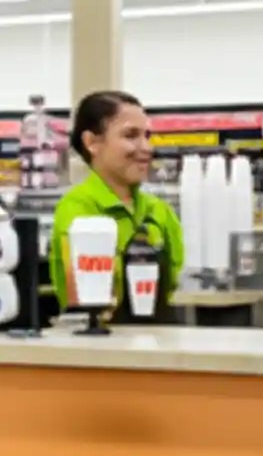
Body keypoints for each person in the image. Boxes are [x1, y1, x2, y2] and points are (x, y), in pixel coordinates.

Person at [50, 90, 185, 324]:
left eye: (148, 135)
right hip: (100, 350)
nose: (146, 147)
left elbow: (177, 286)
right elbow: (82, 295)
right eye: (131, 135)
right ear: (92, 142)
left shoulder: (158, 211)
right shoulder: (77, 211)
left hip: (161, 345)